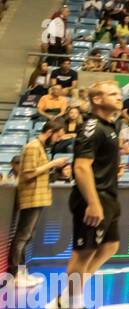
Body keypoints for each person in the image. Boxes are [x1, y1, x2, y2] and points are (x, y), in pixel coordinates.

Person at [46, 81, 124, 309]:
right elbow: (80, 166)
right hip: (94, 198)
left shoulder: (110, 126)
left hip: (108, 196)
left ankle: (65, 299)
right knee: (84, 254)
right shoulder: (92, 127)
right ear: (98, 100)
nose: (119, 97)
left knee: (110, 245)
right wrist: (92, 202)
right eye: (113, 94)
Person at [2, 119, 69, 289]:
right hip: (31, 196)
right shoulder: (33, 146)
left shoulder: (39, 147)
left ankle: (22, 273)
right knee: (22, 236)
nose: (58, 139)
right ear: (51, 131)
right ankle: (15, 274)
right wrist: (52, 164)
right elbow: (28, 174)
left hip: (37, 197)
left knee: (26, 236)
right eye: (58, 135)